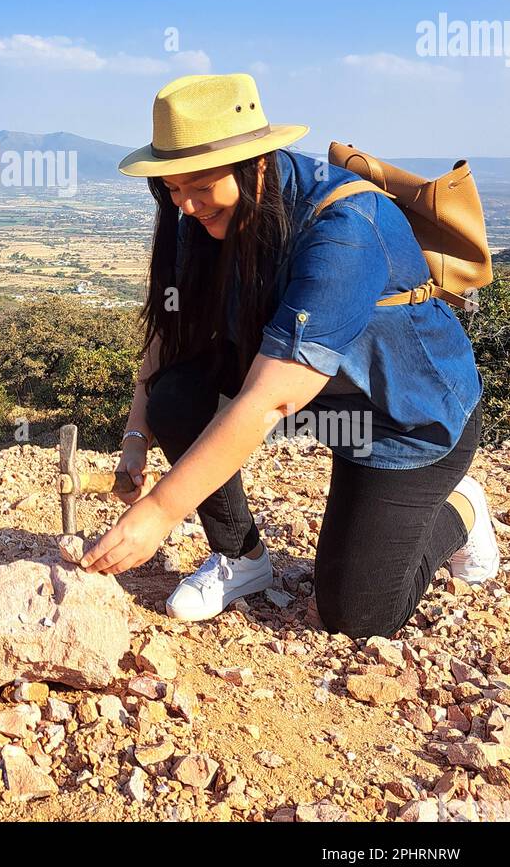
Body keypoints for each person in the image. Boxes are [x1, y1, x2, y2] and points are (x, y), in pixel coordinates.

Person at [80, 73, 500, 639]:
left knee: (356, 615)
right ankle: (242, 559)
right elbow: (170, 330)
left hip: (402, 418)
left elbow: (271, 400)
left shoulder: (344, 230)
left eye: (198, 184)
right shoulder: (203, 216)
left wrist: (158, 512)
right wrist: (136, 435)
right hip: (314, 391)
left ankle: (460, 508)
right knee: (176, 395)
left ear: (255, 164)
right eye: (171, 187)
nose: (184, 203)